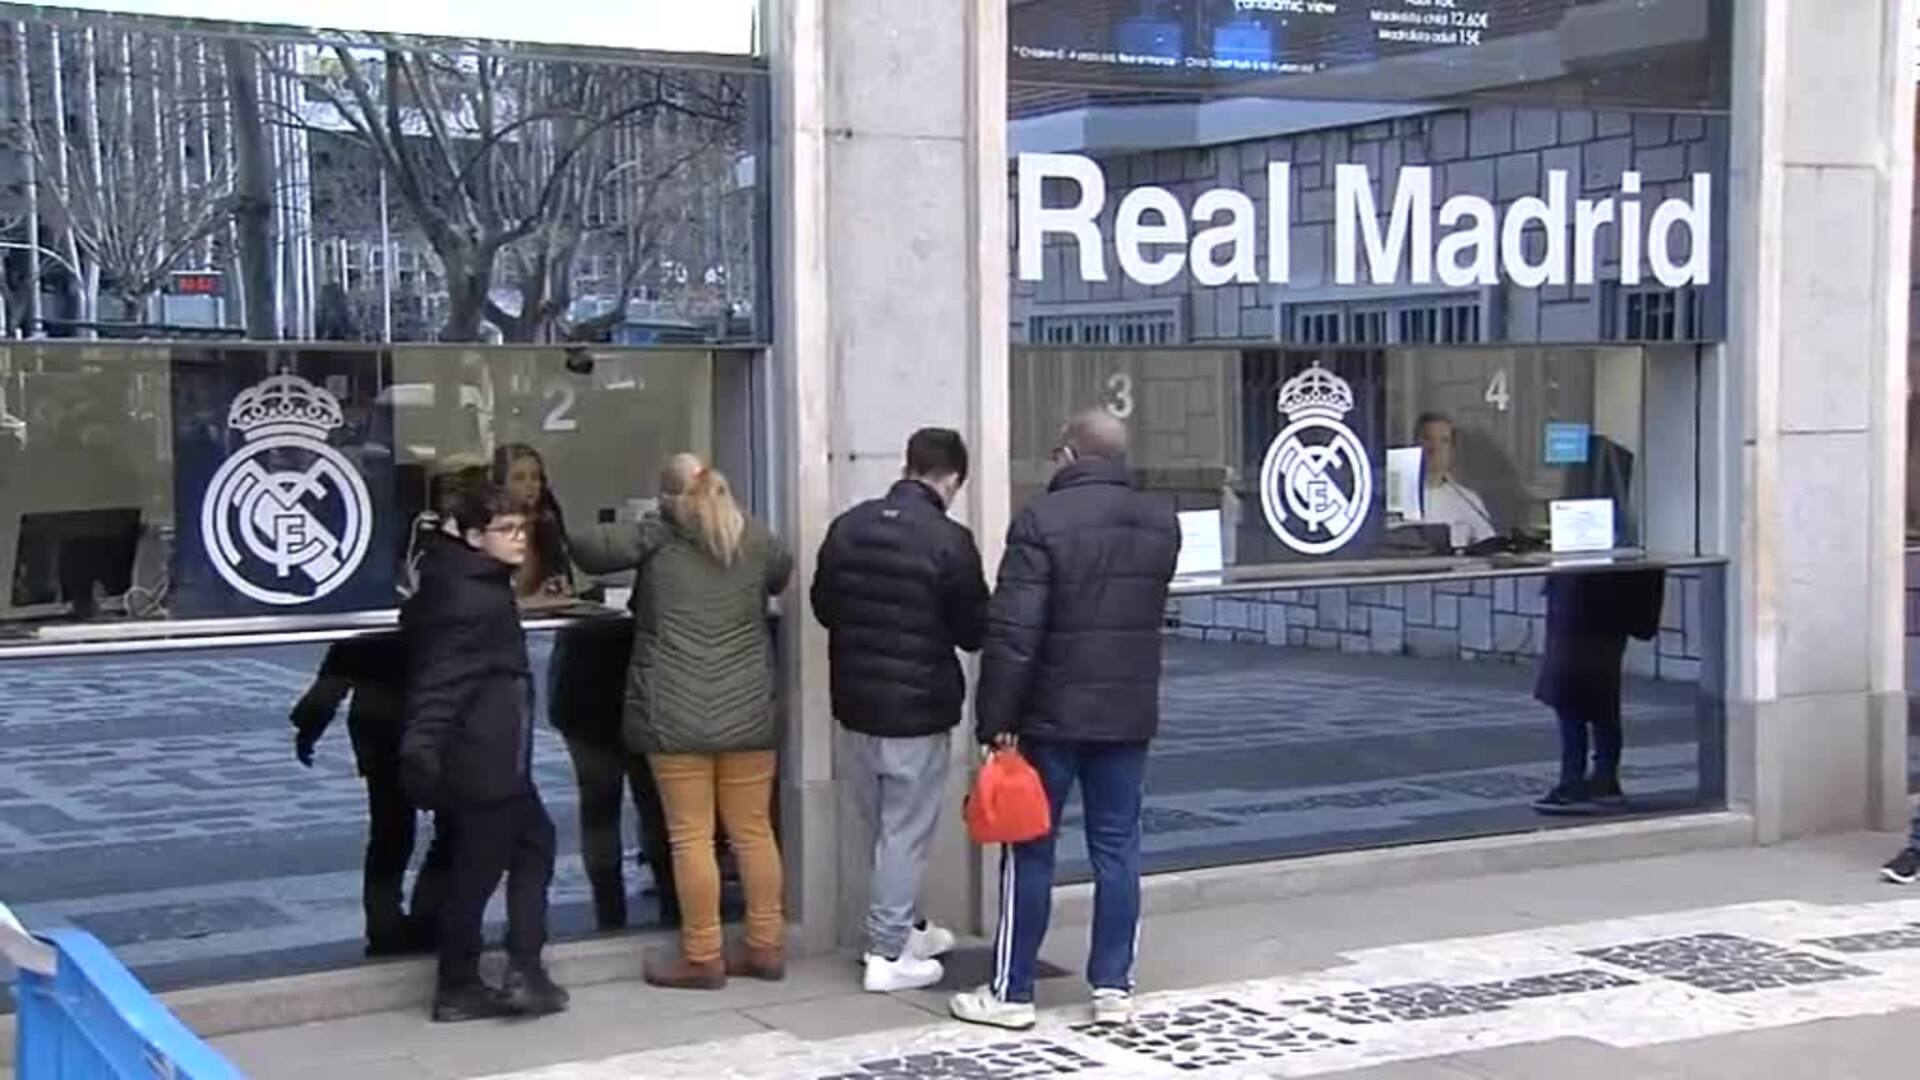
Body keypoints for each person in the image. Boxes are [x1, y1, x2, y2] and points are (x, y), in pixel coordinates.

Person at [950, 411, 1180, 1031]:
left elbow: (1014, 634)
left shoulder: (1041, 522)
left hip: (1050, 715)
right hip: (1127, 712)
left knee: (1030, 849)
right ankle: (1113, 987)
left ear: (1068, 456)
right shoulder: (1161, 523)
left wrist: (995, 720)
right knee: (1118, 849)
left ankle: (1013, 991)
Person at [572, 453, 793, 990]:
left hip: (674, 714)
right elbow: (781, 571)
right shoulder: (755, 538)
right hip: (746, 713)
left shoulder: (659, 537)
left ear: (667, 498)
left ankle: (702, 956)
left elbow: (585, 547)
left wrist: (660, 520)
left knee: (690, 837)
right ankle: (765, 946)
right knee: (753, 832)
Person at [811, 428, 990, 993]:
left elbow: (823, 606)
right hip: (917, 709)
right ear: (953, 478)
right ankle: (887, 953)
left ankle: (906, 927)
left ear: (908, 465)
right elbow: (973, 629)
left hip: (856, 703)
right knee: (905, 832)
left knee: (882, 830)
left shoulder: (850, 526)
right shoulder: (949, 540)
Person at [399, 468, 568, 1022]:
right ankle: (469, 982)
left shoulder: (465, 578)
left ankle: (520, 968)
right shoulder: (473, 597)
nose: (519, 537)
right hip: (484, 758)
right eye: (505, 528)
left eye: (523, 527)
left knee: (525, 848)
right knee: (479, 871)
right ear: (473, 536)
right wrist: (420, 753)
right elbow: (441, 683)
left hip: (487, 753)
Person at [289, 635, 449, 957]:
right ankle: (422, 918)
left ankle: (386, 924)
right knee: (447, 829)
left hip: (380, 730)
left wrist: (309, 727)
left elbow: (332, 682)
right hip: (427, 728)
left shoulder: (368, 621)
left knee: (391, 833)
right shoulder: (429, 613)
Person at [1530, 568, 1666, 815]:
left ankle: (1574, 781)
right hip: (1601, 604)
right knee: (1600, 697)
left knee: (1572, 695)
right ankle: (1603, 778)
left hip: (1588, 601)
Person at [1415, 413, 1497, 549]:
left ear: (1451, 450)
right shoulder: (1396, 498)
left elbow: (1489, 546)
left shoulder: (1468, 500)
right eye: (1427, 439)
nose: (1435, 448)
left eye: (1444, 441)